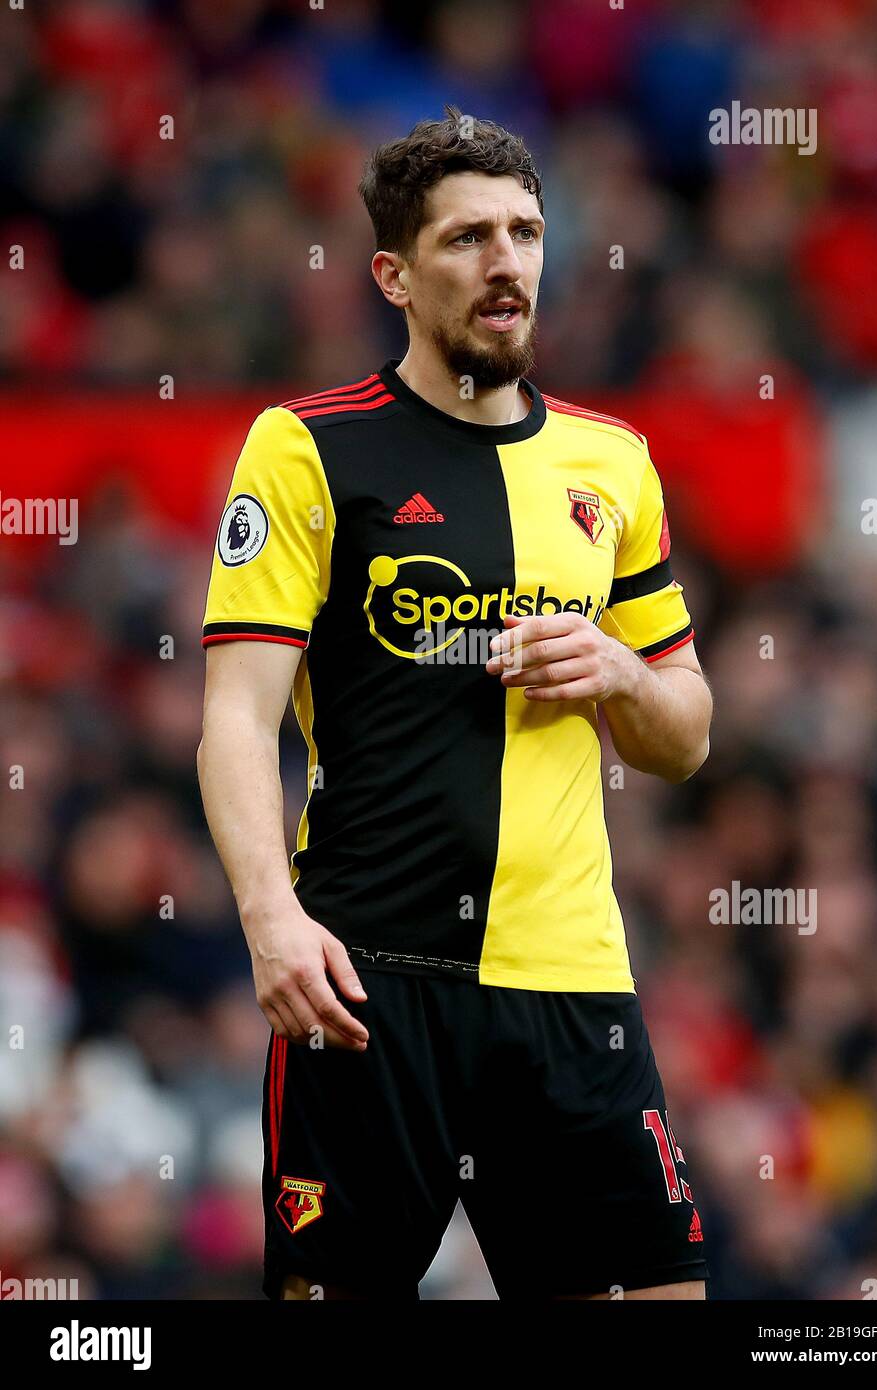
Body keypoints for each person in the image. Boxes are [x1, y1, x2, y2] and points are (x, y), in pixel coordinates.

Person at [197, 106, 713, 1301]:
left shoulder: (612, 462)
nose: (508, 264)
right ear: (395, 273)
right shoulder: (307, 449)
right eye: (469, 238)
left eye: (527, 233)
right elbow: (236, 713)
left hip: (571, 982)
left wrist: (624, 675)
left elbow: (685, 734)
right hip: (368, 981)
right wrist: (271, 920)